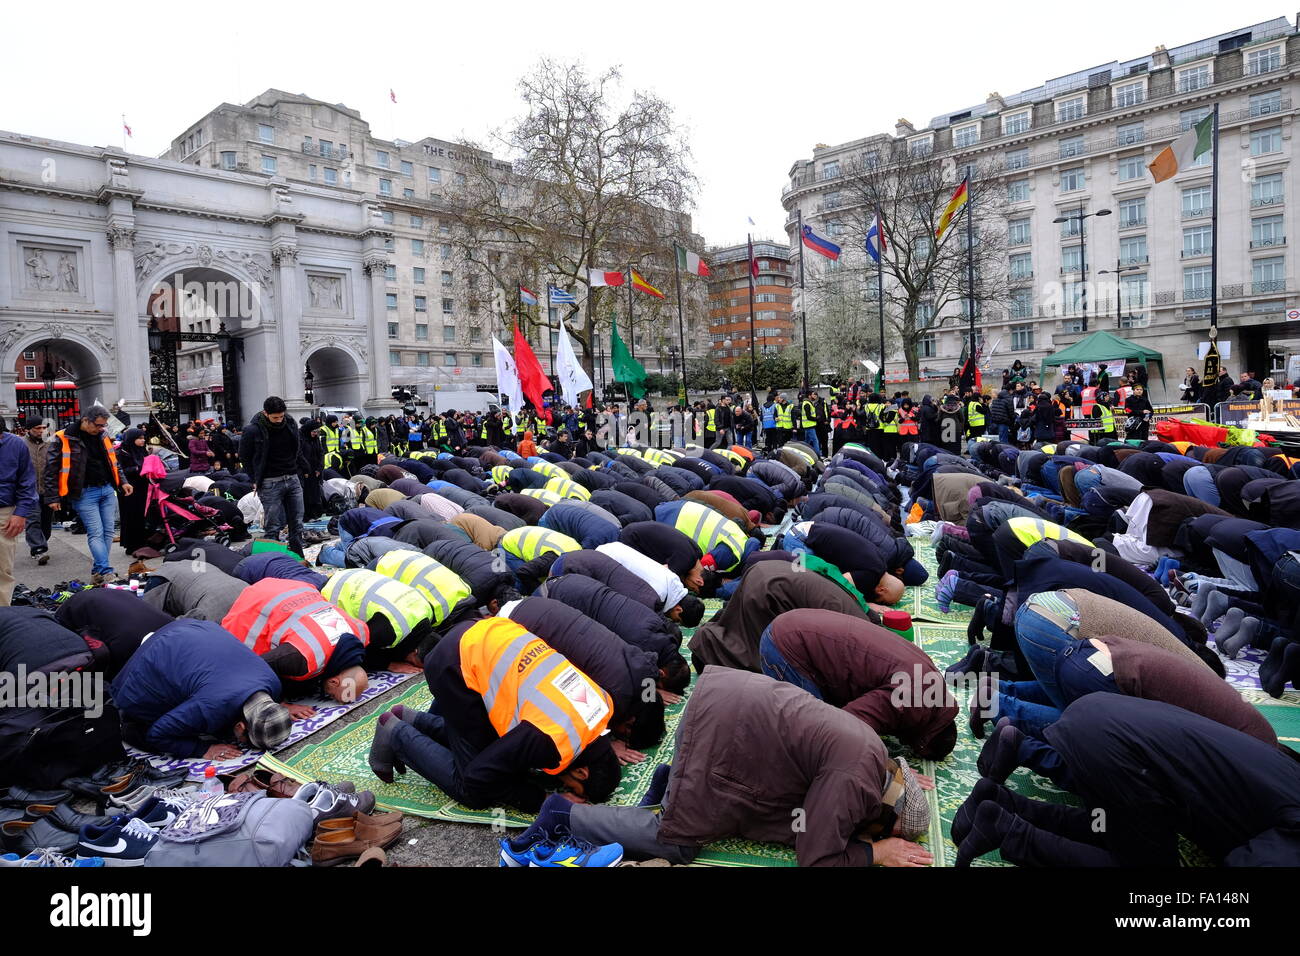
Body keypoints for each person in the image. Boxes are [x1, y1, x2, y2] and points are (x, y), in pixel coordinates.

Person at [511, 667, 933, 867]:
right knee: (680, 844)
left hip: (724, 706)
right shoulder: (855, 780)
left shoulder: (874, 756)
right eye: (892, 830)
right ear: (889, 808)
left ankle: (670, 781)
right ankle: (564, 815)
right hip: (720, 731)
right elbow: (817, 858)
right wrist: (876, 853)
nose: (883, 833)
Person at [955, 695, 1300, 867]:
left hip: (1101, 714)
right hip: (1122, 753)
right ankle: (1011, 832)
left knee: (1117, 827)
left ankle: (1003, 807)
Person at [368, 616, 622, 812]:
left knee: (498, 758)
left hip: (488, 631)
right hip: (454, 664)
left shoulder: (603, 706)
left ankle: (413, 719)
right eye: (572, 788)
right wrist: (543, 799)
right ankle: (395, 732)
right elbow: (479, 776)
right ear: (581, 772)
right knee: (474, 790)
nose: (564, 787)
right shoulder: (551, 738)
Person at [765, 609, 958, 759]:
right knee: (812, 738)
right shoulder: (912, 700)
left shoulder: (932, 685)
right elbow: (846, 724)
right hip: (787, 647)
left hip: (798, 624)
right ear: (922, 740)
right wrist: (890, 768)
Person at [110, 618, 296, 760]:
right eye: (245, 740)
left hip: (192, 628)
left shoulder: (272, 682)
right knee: (145, 732)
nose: (241, 743)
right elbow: (158, 734)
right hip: (143, 669)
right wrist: (203, 749)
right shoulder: (210, 706)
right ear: (241, 727)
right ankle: (126, 723)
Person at [221, 579, 368, 703]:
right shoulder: (302, 659)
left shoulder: (360, 635)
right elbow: (254, 668)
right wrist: (280, 704)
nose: (329, 696)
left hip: (296, 588)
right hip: (256, 601)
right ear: (334, 682)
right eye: (332, 695)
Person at [42, 406, 132, 585]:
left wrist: (123, 481)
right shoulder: (62, 437)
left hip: (107, 489)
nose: (102, 429)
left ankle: (98, 571)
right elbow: (50, 471)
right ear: (85, 420)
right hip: (83, 493)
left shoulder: (103, 435)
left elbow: (114, 462)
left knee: (108, 532)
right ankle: (106, 571)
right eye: (98, 425)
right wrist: (52, 498)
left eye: (104, 425)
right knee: (96, 532)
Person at [240, 396, 311, 557]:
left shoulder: (290, 423)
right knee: (273, 525)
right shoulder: (253, 430)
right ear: (266, 413)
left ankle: (298, 557)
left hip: (292, 478)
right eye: (275, 417)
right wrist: (254, 479)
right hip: (269, 482)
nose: (279, 420)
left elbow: (297, 448)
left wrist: (302, 466)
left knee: (297, 523)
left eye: (281, 416)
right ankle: (274, 559)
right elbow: (244, 456)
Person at [0, 420, 37, 606]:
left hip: (4, 513)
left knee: (2, 570)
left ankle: (2, 619)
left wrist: (20, 513)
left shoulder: (15, 445)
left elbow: (27, 481)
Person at [115, 428, 150, 572]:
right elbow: (120, 470)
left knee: (141, 515)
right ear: (131, 439)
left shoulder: (143, 451)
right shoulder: (123, 452)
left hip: (142, 488)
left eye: (143, 438)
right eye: (139, 438)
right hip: (129, 489)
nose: (142, 440)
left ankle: (141, 543)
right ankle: (131, 545)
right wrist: (137, 468)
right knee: (131, 516)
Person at [20, 416, 51, 569]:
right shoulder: (21, 444)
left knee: (46, 522)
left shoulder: (50, 443)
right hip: (28, 490)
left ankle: (41, 542)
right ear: (28, 430)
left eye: (43, 428)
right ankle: (38, 548)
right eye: (37, 428)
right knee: (33, 520)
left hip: (47, 489)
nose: (40, 431)